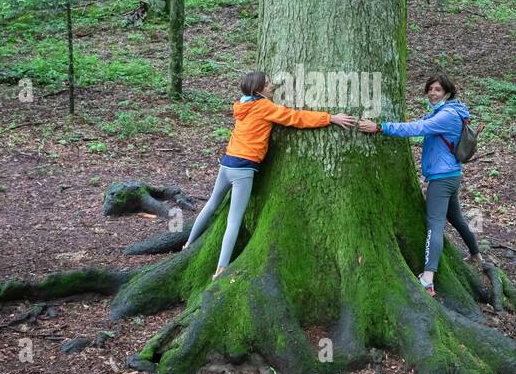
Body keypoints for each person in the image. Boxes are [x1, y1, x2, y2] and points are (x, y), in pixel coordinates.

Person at [184, 71, 355, 277]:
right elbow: (295, 117)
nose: (272, 85)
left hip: (227, 163)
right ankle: (221, 268)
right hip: (243, 169)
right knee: (234, 219)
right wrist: (330, 118)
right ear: (259, 90)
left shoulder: (243, 105)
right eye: (268, 84)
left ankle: (188, 244)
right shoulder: (264, 107)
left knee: (212, 204)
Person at [358, 71, 482, 295]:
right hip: (451, 176)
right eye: (430, 89)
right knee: (456, 218)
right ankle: (476, 254)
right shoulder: (446, 112)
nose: (433, 93)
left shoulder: (446, 116)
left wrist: (379, 127)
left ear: (448, 92)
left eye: (438, 90)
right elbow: (420, 123)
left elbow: (417, 129)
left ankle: (428, 278)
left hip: (442, 179)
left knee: (434, 225)